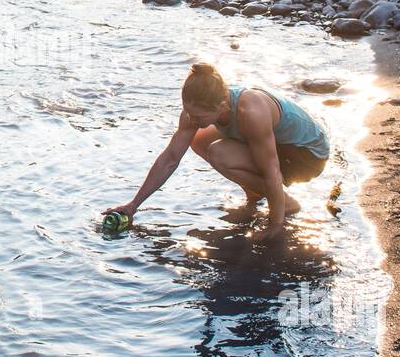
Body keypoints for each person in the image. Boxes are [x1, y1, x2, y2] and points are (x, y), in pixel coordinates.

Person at [104, 63, 331, 241]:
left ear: (222, 106)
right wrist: (133, 205)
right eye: (188, 112)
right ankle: (256, 192)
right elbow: (170, 158)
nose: (192, 119)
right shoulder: (196, 112)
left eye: (199, 116)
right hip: (278, 147)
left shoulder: (250, 110)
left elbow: (271, 169)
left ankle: (286, 202)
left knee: (219, 152)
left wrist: (275, 224)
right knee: (199, 139)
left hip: (307, 155)